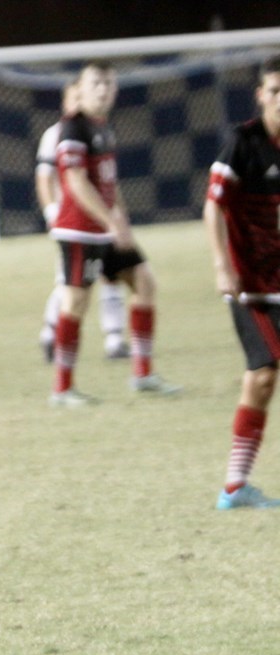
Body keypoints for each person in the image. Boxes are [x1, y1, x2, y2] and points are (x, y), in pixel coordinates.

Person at [47, 60, 179, 406]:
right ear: (82, 88)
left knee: (144, 281)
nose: (103, 89)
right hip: (79, 232)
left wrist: (120, 218)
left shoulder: (103, 128)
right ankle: (61, 389)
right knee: (76, 301)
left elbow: (108, 182)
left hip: (105, 231)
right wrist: (111, 221)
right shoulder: (73, 128)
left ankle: (143, 374)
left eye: (108, 83)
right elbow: (76, 183)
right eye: (96, 83)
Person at [206, 55, 280, 509]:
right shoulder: (243, 141)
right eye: (275, 92)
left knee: (260, 379)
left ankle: (235, 486)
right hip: (249, 281)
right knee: (263, 374)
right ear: (260, 95)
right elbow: (213, 206)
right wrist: (220, 264)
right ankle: (235, 485)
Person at [36, 79, 126, 364]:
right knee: (71, 285)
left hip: (101, 220)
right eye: (73, 98)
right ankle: (52, 333)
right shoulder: (57, 133)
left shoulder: (100, 129)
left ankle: (115, 339)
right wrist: (52, 211)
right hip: (74, 223)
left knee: (113, 276)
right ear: (66, 102)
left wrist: (117, 214)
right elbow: (45, 178)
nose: (78, 103)